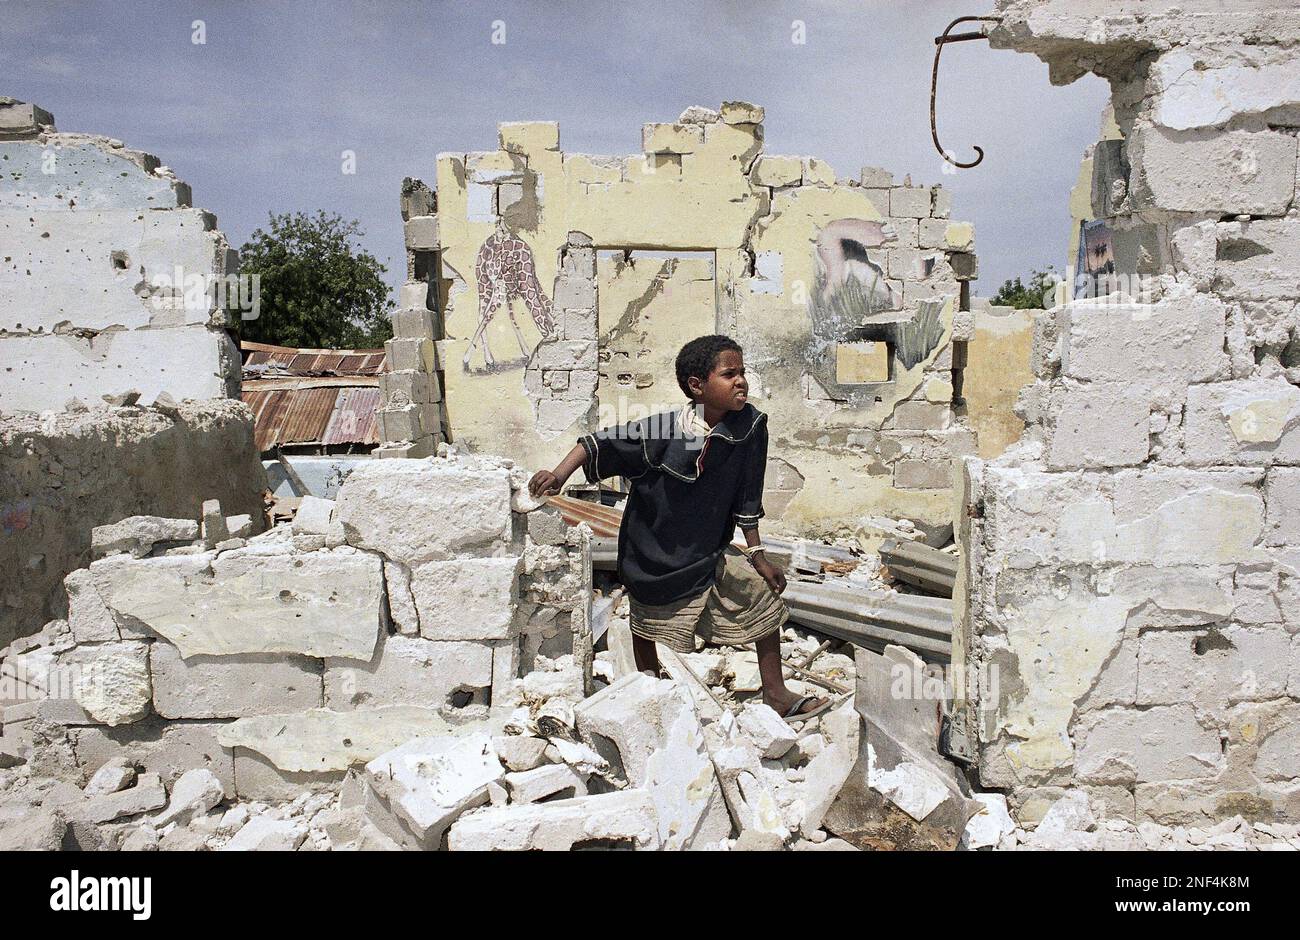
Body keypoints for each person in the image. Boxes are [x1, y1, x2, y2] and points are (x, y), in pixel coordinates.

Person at [528, 334, 830, 720]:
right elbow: (595, 444)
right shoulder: (661, 431)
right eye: (728, 374)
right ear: (696, 386)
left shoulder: (750, 428)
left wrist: (758, 556)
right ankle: (651, 692)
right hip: (651, 548)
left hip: (707, 548)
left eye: (742, 372)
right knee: (647, 622)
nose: (741, 381)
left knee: (759, 595)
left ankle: (776, 692)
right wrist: (557, 475)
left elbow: (748, 499)